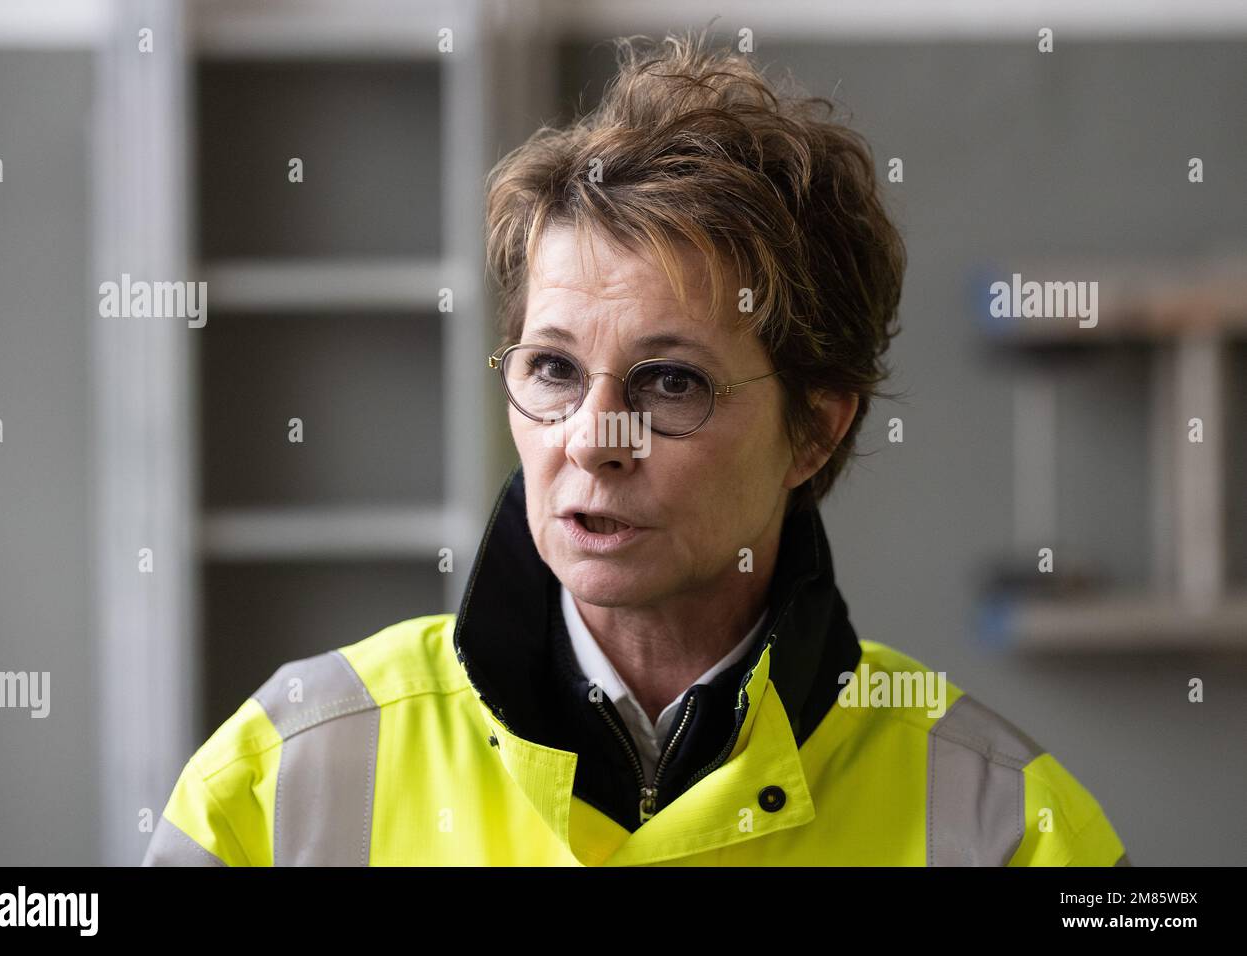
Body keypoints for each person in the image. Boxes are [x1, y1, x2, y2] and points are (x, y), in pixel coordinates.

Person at [143, 30, 1128, 867]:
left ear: (814, 426)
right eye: (554, 369)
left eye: (671, 382)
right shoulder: (282, 776)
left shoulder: (1007, 829)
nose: (591, 439)